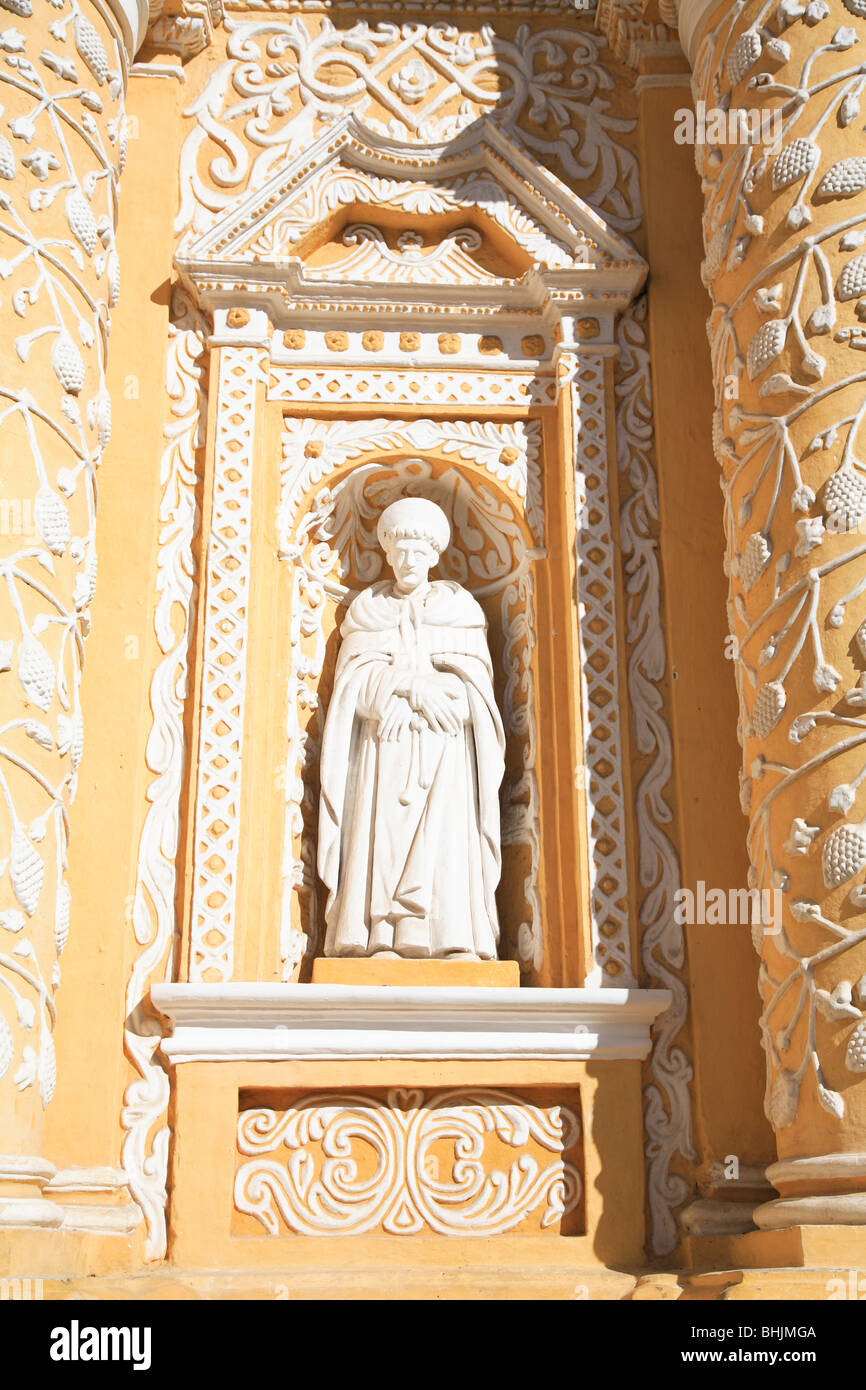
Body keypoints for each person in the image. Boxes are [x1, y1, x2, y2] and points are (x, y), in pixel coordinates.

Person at [317, 495, 505, 960]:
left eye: (418, 552)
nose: (408, 561)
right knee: (382, 834)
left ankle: (453, 936)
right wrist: (405, 686)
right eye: (399, 551)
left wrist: (436, 693)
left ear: (435, 555)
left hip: (444, 750)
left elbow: (475, 693)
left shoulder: (459, 609)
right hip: (385, 747)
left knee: (445, 837)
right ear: (386, 552)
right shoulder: (368, 610)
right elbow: (351, 690)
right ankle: (379, 933)